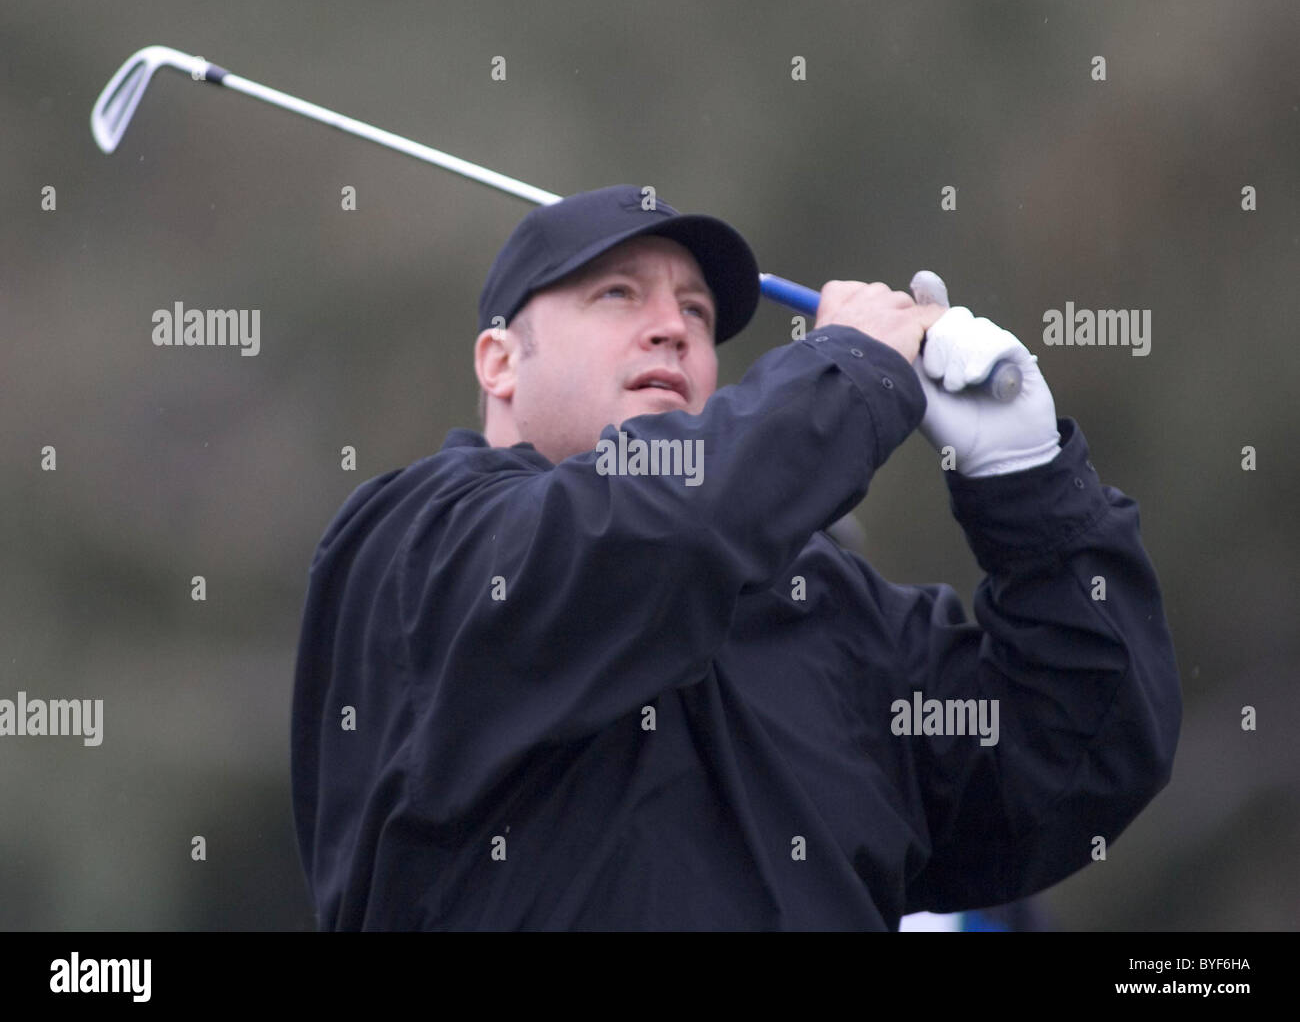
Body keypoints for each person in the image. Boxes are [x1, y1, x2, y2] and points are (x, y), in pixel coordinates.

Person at [290, 184, 1182, 930]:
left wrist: (1030, 486)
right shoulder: (417, 543)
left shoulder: (830, 610)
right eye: (617, 295)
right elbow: (653, 532)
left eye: (698, 312)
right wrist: (850, 370)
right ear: (499, 361)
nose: (672, 328)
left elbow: (1079, 753)